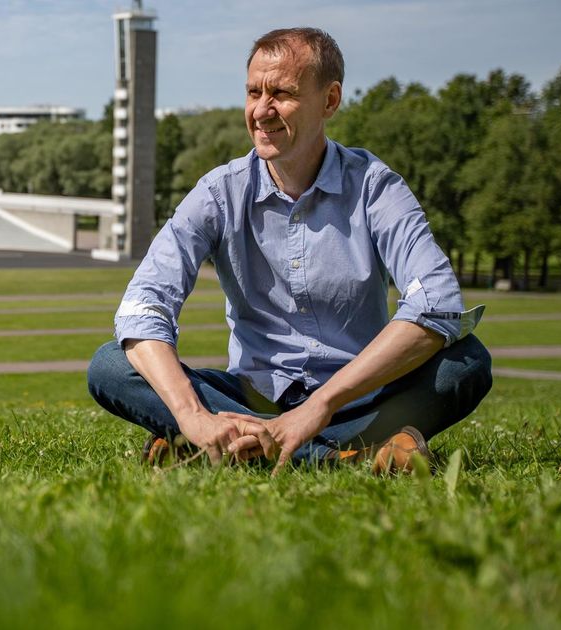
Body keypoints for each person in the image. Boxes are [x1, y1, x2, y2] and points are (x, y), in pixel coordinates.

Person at [87, 26, 493, 475]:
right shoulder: (219, 192)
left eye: (281, 93)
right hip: (251, 395)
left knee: (466, 363)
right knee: (111, 366)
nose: (261, 111)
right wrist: (192, 415)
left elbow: (437, 305)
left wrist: (320, 405)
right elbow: (144, 306)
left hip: (357, 396)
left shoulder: (375, 187)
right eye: (253, 92)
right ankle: (340, 454)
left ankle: (238, 446)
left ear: (330, 100)